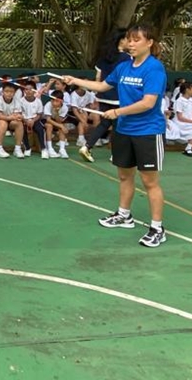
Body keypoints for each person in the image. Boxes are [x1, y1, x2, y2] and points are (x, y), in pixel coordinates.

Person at [63, 24, 169, 248]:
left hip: (148, 131)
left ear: (149, 43)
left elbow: (149, 102)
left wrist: (117, 111)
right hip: (124, 130)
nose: (130, 44)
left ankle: (158, 228)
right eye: (129, 40)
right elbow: (102, 86)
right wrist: (76, 80)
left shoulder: (154, 69)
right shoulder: (124, 67)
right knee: (124, 176)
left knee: (150, 182)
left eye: (136, 40)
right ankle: (124, 216)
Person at [80, 29, 130, 163]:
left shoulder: (104, 57)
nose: (130, 42)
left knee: (105, 123)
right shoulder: (127, 58)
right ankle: (116, 154)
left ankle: (87, 146)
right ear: (121, 40)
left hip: (103, 94)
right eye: (128, 39)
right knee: (118, 126)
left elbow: (98, 77)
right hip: (118, 96)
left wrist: (98, 94)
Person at [0, 82, 24, 158]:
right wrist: (11, 117)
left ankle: (17, 149)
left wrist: (19, 117)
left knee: (19, 123)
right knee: (3, 123)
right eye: (6, 91)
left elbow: (17, 115)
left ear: (14, 92)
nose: (9, 94)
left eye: (11, 92)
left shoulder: (16, 101)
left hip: (10, 119)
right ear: (2, 92)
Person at [42, 90, 70, 159]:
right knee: (49, 125)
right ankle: (50, 148)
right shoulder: (48, 105)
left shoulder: (65, 108)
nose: (54, 103)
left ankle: (62, 149)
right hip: (43, 121)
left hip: (56, 121)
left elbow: (59, 121)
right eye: (52, 100)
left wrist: (57, 112)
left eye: (56, 101)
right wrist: (61, 125)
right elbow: (48, 119)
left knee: (62, 127)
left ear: (61, 101)